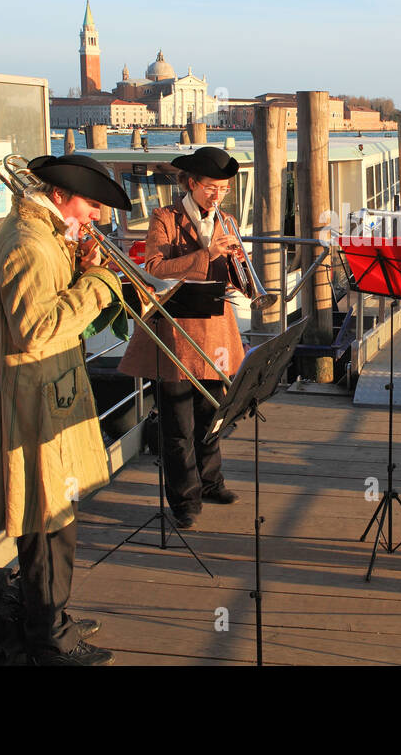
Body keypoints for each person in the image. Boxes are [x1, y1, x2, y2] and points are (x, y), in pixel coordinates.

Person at [0, 153, 130, 665]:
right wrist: (100, 284)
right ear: (59, 196)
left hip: (46, 396)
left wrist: (82, 268)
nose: (95, 217)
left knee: (58, 519)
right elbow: (36, 329)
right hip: (30, 404)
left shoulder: (43, 234)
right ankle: (48, 640)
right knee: (45, 525)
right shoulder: (27, 243)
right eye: (90, 204)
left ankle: (53, 619)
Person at [118, 146, 247, 530]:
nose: (218, 195)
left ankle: (211, 483)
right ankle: (184, 500)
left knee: (213, 416)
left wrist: (240, 268)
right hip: (176, 333)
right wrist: (206, 253)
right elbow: (155, 268)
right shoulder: (165, 218)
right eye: (211, 187)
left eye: (223, 189)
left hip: (217, 329)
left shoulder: (228, 219)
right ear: (192, 184)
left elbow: (233, 271)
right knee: (177, 424)